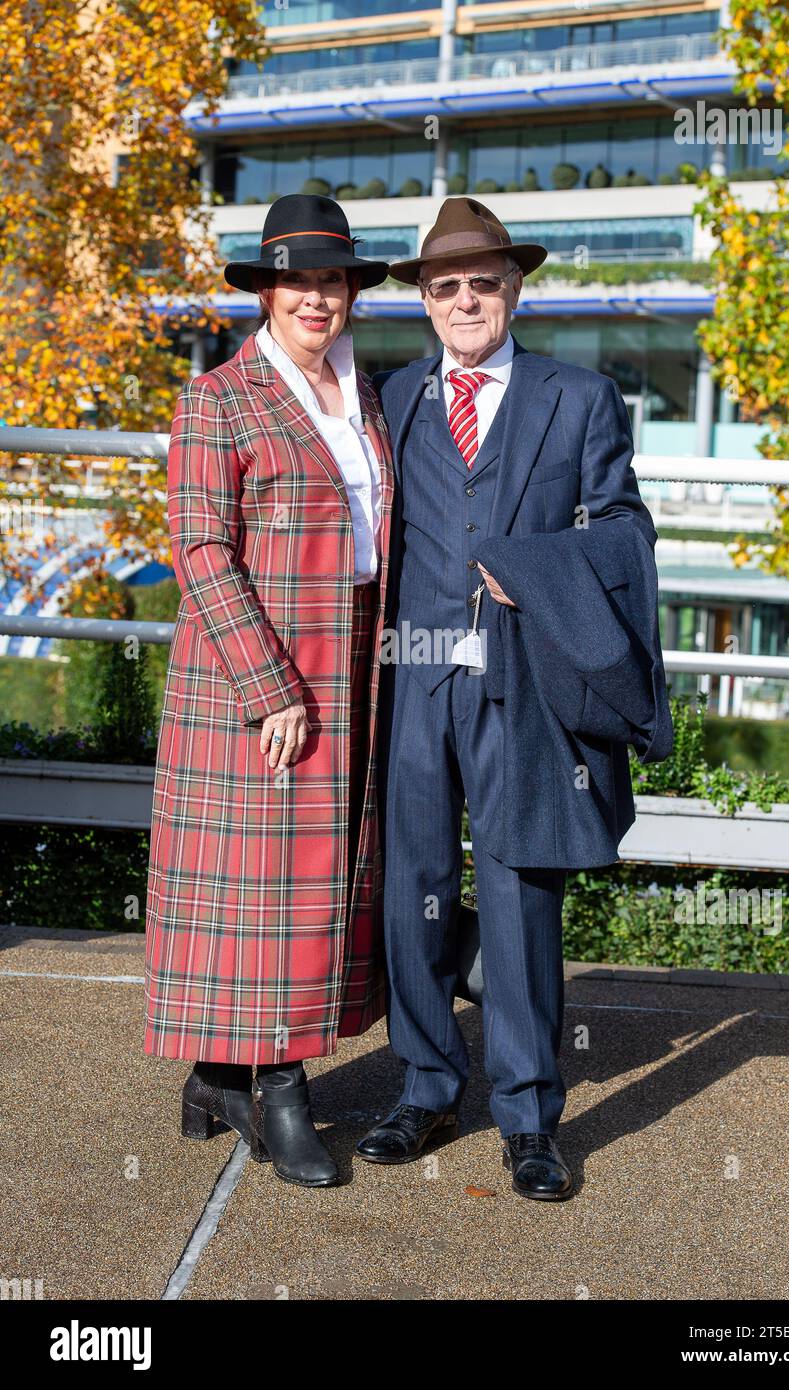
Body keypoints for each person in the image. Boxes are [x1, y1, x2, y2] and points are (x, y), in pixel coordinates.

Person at [355, 197, 669, 1201]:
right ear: (422, 300)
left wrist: (531, 567)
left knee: (522, 893)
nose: (463, 301)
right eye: (443, 286)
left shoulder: (576, 398)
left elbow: (624, 534)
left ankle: (530, 1115)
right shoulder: (392, 400)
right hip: (411, 678)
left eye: (481, 283)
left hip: (518, 682)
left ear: (513, 288)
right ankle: (425, 1084)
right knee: (413, 886)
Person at [143, 194, 394, 1188]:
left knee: (316, 884)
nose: (317, 298)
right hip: (256, 681)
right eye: (298, 280)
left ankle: (214, 1074)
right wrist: (269, 685)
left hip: (356, 663)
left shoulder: (360, 397)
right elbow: (200, 549)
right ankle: (276, 1092)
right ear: (266, 291)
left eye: (332, 280)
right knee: (274, 894)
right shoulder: (219, 399)